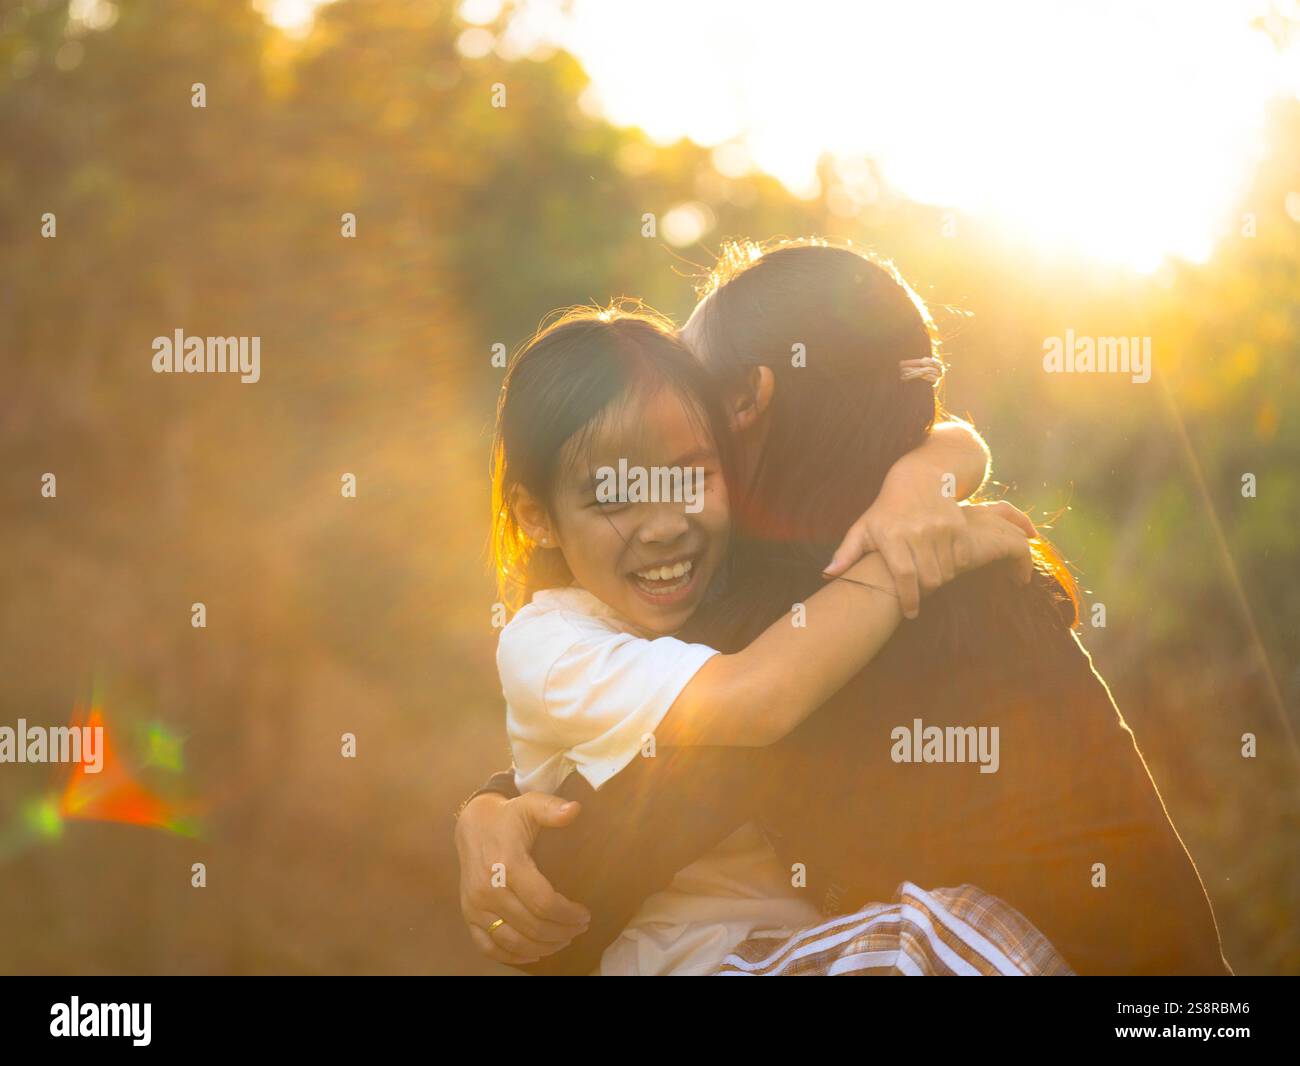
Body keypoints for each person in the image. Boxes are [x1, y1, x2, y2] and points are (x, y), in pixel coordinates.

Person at [458, 239, 1230, 975]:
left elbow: (565, 909)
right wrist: (498, 800)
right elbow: (650, 734)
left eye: (685, 421)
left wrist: (506, 822)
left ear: (745, 402)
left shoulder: (811, 631)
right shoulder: (929, 564)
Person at [479, 303, 1038, 975]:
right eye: (614, 498)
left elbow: (952, 438)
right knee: (949, 936)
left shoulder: (719, 576)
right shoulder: (548, 643)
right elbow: (762, 697)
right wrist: (910, 556)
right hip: (693, 963)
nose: (663, 526)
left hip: (818, 939)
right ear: (536, 516)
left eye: (690, 476)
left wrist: (916, 492)